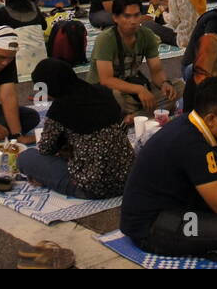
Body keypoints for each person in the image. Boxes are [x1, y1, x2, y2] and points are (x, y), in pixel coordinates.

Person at [119, 78, 217, 262]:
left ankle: (214, 236)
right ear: (211, 119)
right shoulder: (191, 142)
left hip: (173, 207)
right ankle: (213, 246)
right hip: (152, 226)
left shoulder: (189, 124)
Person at [18, 59, 133, 199]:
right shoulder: (103, 92)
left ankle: (46, 178)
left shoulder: (60, 108)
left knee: (26, 158)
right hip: (128, 178)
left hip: (92, 187)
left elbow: (45, 148)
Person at [88, 0, 183, 118]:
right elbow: (106, 80)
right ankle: (143, 113)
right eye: (127, 16)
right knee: (115, 96)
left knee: (178, 87)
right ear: (115, 18)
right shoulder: (105, 39)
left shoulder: (146, 35)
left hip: (131, 88)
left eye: (136, 15)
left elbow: (156, 70)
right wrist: (139, 90)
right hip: (105, 92)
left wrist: (164, 83)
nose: (133, 21)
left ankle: (135, 115)